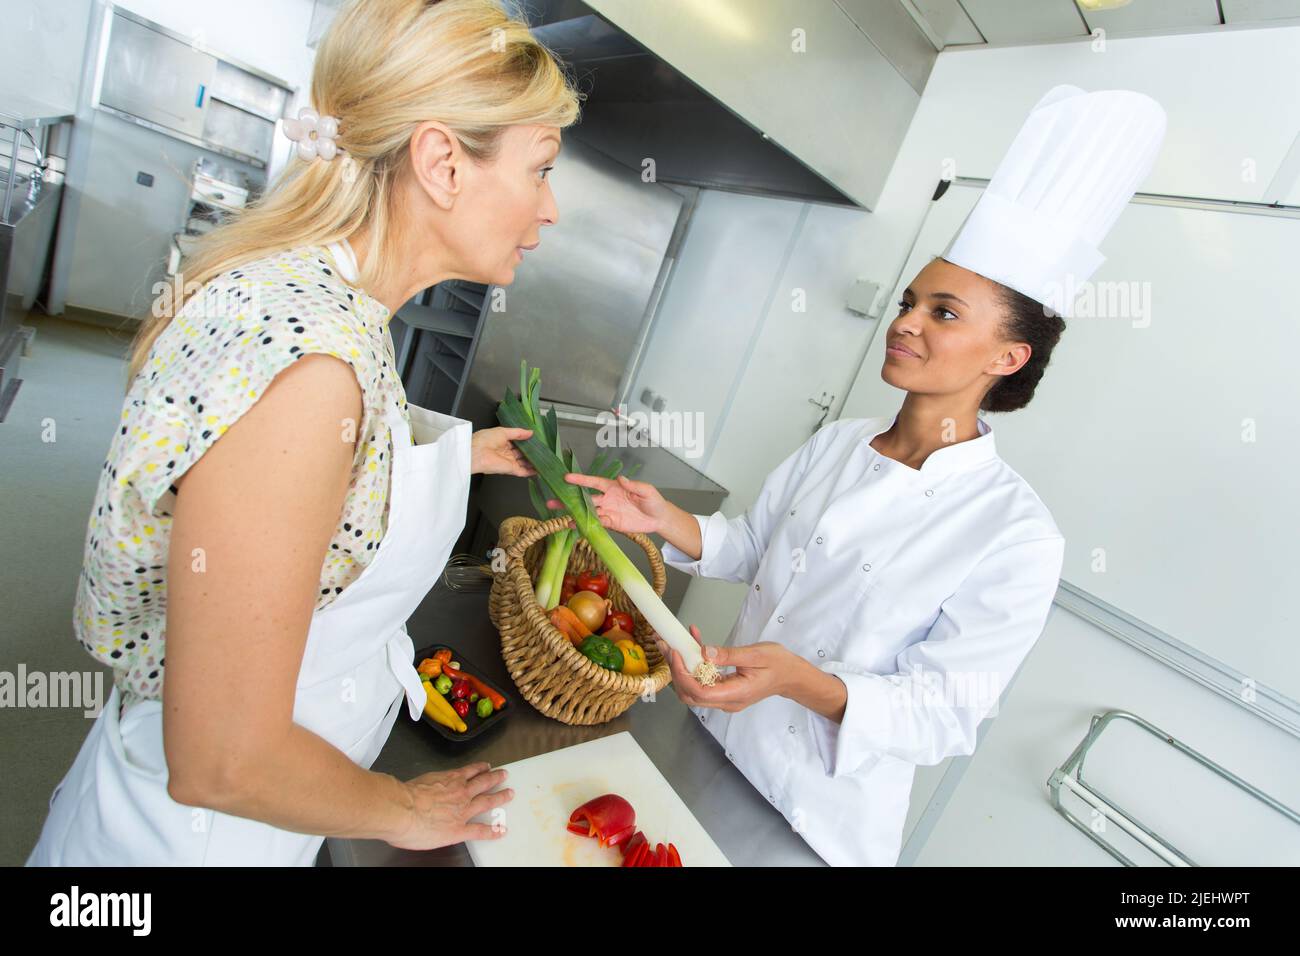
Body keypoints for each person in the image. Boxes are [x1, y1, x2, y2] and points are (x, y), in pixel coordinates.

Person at [27, 0, 582, 866]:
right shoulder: (310, 373)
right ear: (442, 161)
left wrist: (456, 456)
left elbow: (328, 480)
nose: (550, 210)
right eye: (541, 168)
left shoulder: (326, 300)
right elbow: (224, 760)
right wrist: (404, 811)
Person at [561, 85, 1168, 865]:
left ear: (1006, 357)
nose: (906, 321)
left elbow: (946, 713)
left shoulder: (1016, 533)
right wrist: (661, 519)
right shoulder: (841, 443)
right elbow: (751, 545)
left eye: (944, 314)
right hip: (710, 739)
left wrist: (799, 682)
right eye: (912, 301)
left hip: (813, 818)